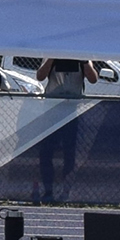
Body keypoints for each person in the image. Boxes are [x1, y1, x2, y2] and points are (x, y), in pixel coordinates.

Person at [32, 58, 97, 201]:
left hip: (72, 111)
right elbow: (40, 76)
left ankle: (66, 191)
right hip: (51, 110)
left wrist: (84, 61)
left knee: (70, 154)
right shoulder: (52, 56)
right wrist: (52, 58)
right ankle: (48, 190)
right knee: (46, 152)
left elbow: (93, 79)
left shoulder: (82, 57)